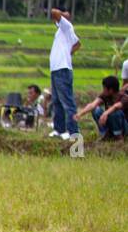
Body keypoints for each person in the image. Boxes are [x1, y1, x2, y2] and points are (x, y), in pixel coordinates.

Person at [47, 8, 80, 140]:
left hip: (62, 70)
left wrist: (63, 15)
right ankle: (59, 129)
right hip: (56, 69)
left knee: (67, 101)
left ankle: (73, 131)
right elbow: (78, 44)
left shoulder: (66, 26)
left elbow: (53, 11)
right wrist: (68, 54)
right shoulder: (63, 31)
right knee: (57, 101)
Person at [73, 76, 127, 140]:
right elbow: (93, 105)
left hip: (125, 127)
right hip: (113, 123)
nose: (103, 90)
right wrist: (80, 114)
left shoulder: (124, 97)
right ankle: (106, 134)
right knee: (96, 110)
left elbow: (116, 106)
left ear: (111, 90)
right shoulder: (105, 95)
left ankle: (118, 137)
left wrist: (105, 113)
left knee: (115, 112)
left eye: (104, 88)